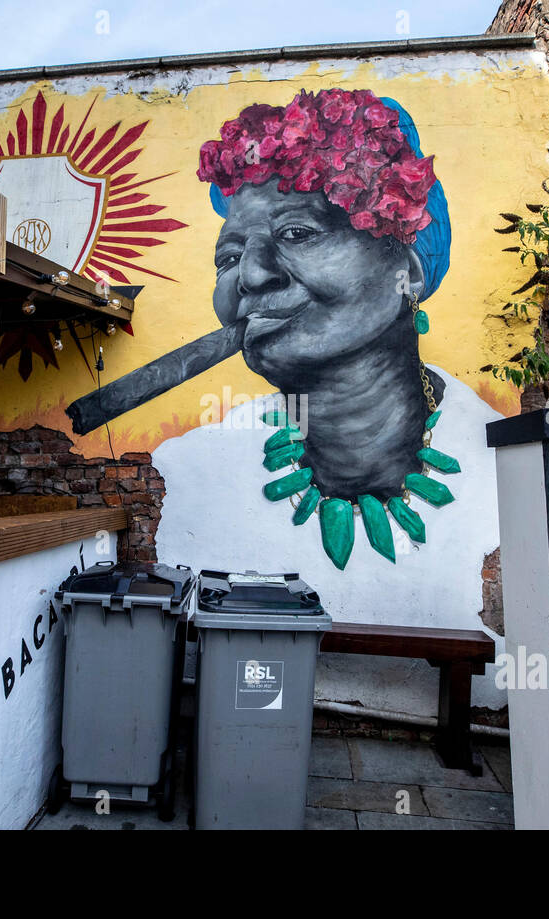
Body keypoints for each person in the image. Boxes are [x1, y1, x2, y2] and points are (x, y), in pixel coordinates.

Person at [152, 88, 506, 720]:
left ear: (411, 272)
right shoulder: (191, 468)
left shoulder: (509, 461)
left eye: (297, 232)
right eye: (228, 255)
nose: (251, 276)